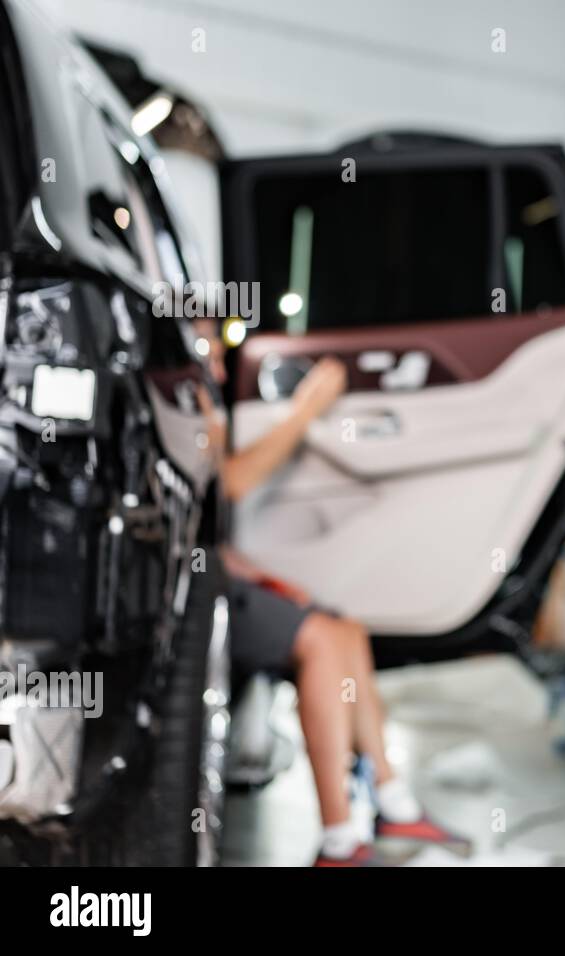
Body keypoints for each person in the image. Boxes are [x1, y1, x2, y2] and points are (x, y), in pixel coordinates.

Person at [193, 320, 465, 866]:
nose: (222, 367)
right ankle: (340, 837)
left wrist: (260, 575)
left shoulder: (206, 396)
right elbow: (231, 484)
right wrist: (306, 409)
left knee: (345, 628)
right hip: (193, 589)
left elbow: (209, 520)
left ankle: (392, 799)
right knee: (319, 639)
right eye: (209, 349)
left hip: (219, 570)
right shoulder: (183, 395)